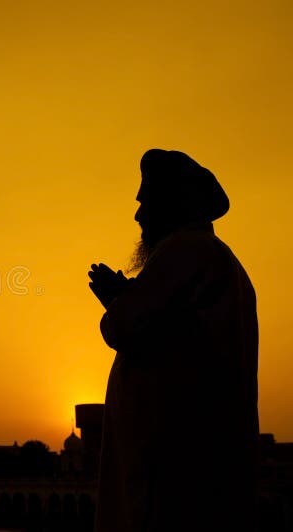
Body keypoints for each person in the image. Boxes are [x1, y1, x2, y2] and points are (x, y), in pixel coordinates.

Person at [88, 149, 259, 532]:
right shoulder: (219, 259)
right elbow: (174, 333)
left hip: (173, 465)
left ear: (171, 204)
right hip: (202, 460)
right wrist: (128, 296)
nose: (138, 216)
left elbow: (127, 326)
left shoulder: (185, 250)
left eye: (145, 203)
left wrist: (117, 301)